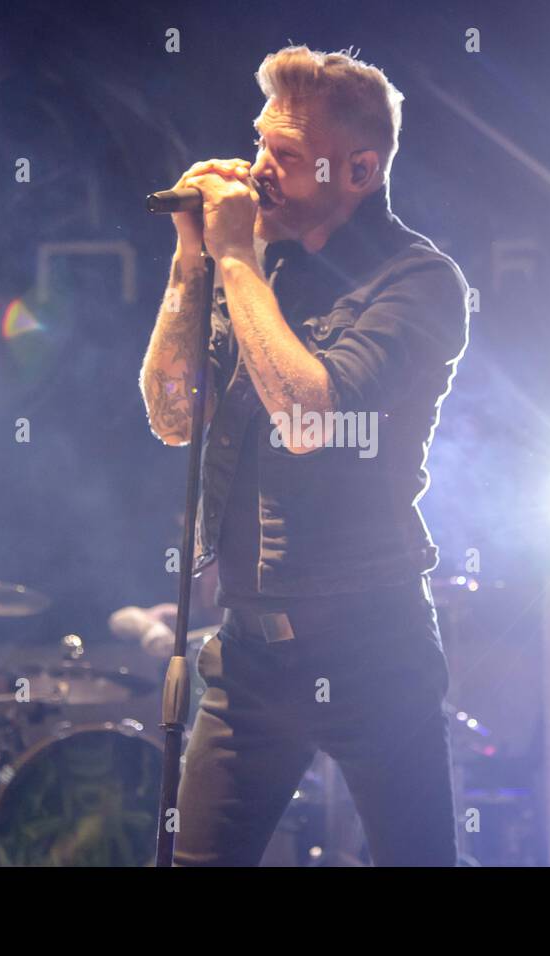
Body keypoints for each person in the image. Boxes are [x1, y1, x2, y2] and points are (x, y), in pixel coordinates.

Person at [139, 45, 470, 866]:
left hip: (373, 645)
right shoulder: (255, 269)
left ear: (358, 169)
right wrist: (192, 264)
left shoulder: (419, 283)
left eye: (284, 156)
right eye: (259, 145)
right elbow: (173, 415)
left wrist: (238, 259)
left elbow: (310, 419)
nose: (257, 171)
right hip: (249, 656)